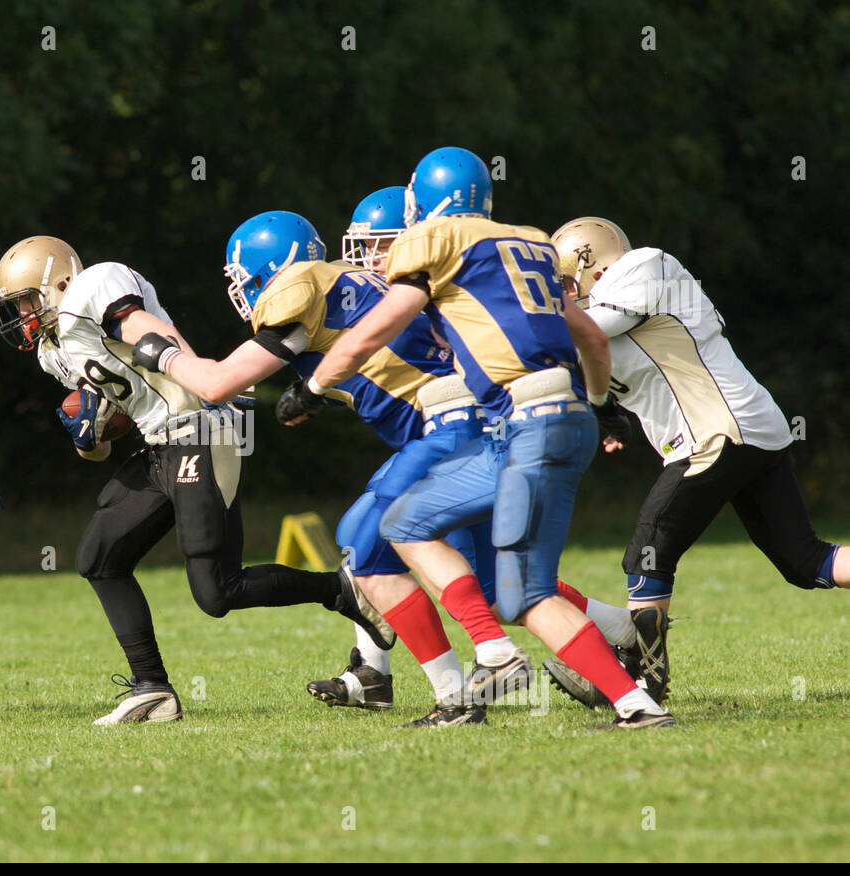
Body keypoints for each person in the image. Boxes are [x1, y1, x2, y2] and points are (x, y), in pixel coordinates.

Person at [140, 206, 637, 724]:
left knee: (370, 546)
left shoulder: (301, 291)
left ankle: (474, 676)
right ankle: (625, 642)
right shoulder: (353, 281)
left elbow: (218, 383)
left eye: (245, 276)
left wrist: (160, 354)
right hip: (465, 423)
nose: (242, 289)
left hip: (449, 429)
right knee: (490, 585)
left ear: (273, 267)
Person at [278, 147, 675, 729]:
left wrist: (313, 386)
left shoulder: (433, 242)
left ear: (425, 203)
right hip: (568, 419)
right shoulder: (531, 243)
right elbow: (590, 338)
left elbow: (372, 333)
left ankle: (494, 655)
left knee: (404, 524)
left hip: (521, 426)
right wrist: (603, 407)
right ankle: (635, 703)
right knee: (523, 592)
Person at [0, 235, 386, 724]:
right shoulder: (53, 352)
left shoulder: (93, 289)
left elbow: (155, 336)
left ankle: (343, 590)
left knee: (218, 591)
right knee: (99, 558)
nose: (23, 316)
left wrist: (205, 379)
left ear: (59, 283)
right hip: (158, 444)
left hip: (201, 430)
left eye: (26, 301)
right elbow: (102, 442)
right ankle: (152, 688)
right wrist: (86, 435)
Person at [543, 217, 849, 707]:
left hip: (717, 432)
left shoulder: (644, 265)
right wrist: (605, 413)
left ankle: (641, 679)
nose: (564, 293)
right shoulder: (599, 314)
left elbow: (583, 332)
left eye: (565, 280)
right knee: (806, 561)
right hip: (745, 430)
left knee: (648, 550)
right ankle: (631, 662)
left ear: (591, 262)